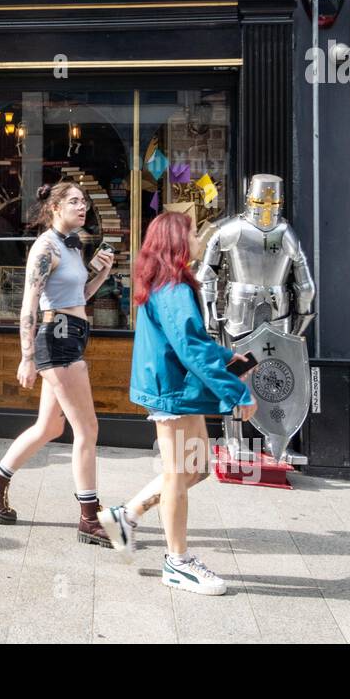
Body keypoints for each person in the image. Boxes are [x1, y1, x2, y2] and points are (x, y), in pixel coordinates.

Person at [99, 211, 256, 596]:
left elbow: (191, 345)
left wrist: (229, 364)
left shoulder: (169, 283)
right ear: (177, 241)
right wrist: (237, 391)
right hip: (173, 392)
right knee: (177, 475)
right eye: (193, 233)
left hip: (177, 389)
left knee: (197, 468)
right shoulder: (173, 287)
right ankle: (178, 562)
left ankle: (127, 514)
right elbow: (190, 347)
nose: (200, 239)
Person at [0, 181, 115, 546]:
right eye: (74, 201)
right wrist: (27, 357)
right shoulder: (45, 247)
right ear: (54, 208)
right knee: (87, 430)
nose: (83, 207)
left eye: (84, 202)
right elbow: (30, 304)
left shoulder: (74, 245)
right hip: (58, 340)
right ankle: (89, 517)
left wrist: (101, 274)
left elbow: (76, 297)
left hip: (72, 334)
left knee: (49, 427)